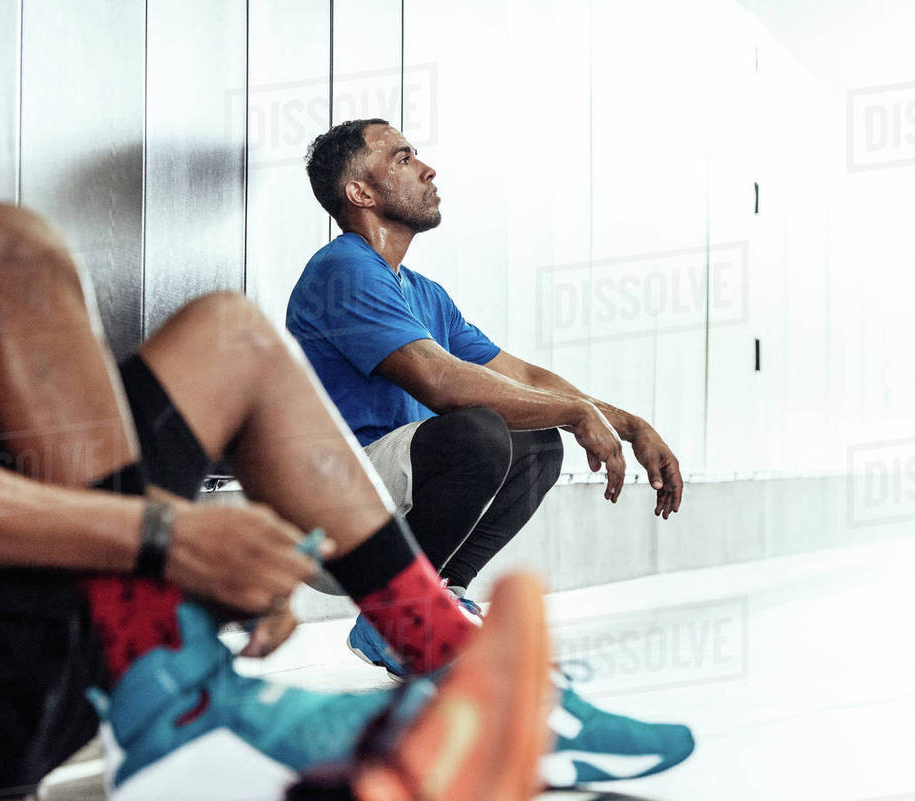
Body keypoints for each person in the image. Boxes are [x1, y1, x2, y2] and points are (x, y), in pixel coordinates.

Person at [0, 2, 572, 800]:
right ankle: (168, 657)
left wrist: (207, 545)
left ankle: (437, 653)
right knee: (3, 251)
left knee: (174, 313)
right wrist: (168, 535)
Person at [287, 119, 692, 784]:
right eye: (403, 156)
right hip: (332, 515)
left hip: (386, 503)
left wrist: (624, 422)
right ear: (358, 190)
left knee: (534, 439)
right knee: (478, 430)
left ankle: (433, 597)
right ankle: (393, 616)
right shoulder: (342, 270)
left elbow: (522, 380)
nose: (428, 168)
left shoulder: (423, 294)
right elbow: (441, 383)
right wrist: (574, 412)